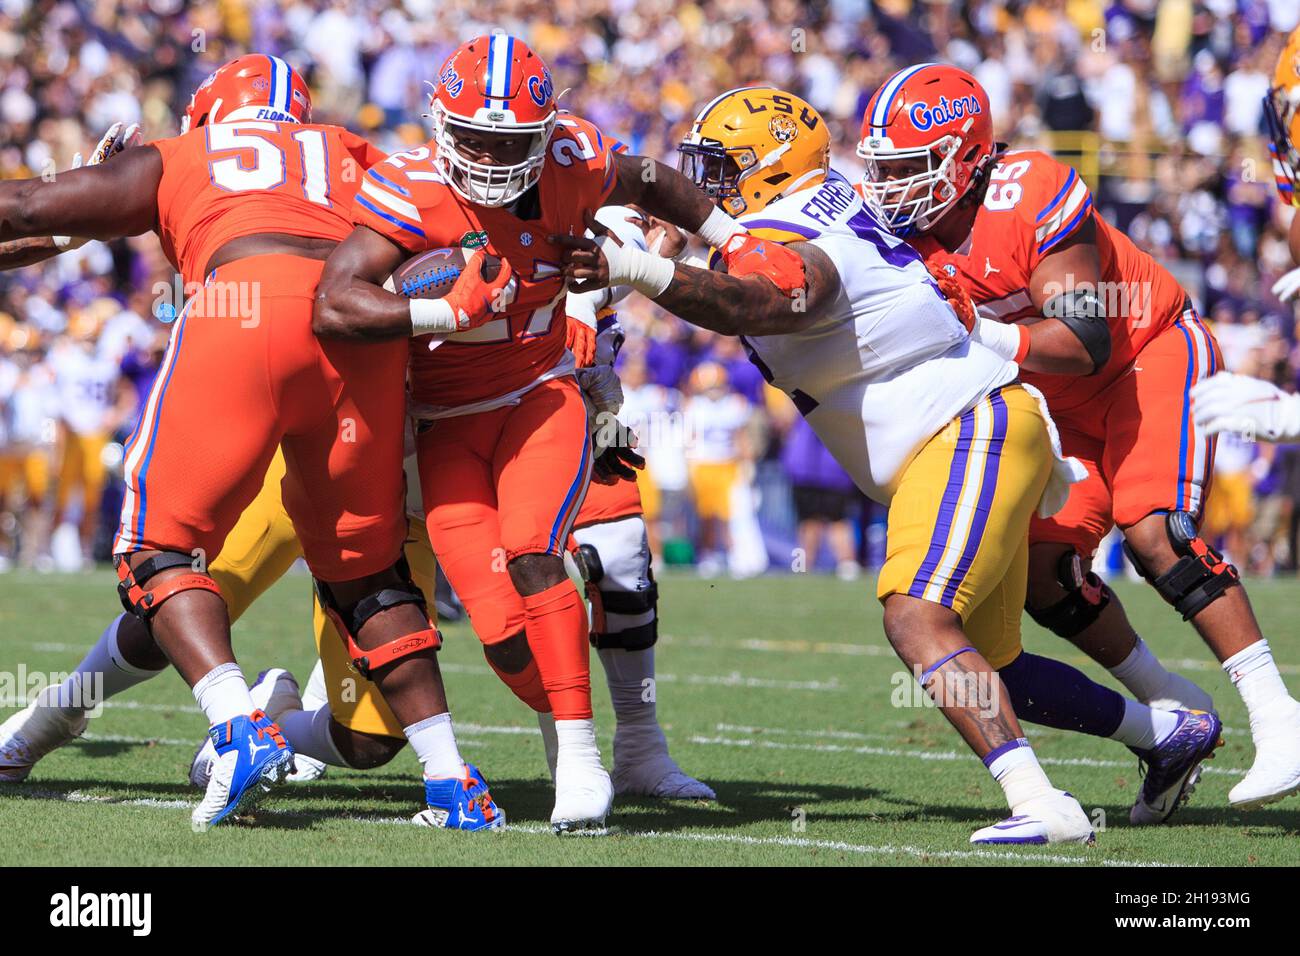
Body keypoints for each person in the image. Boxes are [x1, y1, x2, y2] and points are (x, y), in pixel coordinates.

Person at [556, 86, 1220, 842]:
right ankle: (1166, 733)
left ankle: (1042, 804)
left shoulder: (790, 235)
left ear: (769, 168)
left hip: (967, 428)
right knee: (992, 665)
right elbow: (701, 215)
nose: (707, 183)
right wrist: (621, 181)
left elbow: (763, 303)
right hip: (965, 433)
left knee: (916, 616)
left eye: (721, 168)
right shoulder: (817, 205)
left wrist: (641, 267)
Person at [0, 56, 502, 832]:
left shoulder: (186, 154)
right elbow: (451, 236)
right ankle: (455, 782)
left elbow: (27, 206)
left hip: (245, 317)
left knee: (154, 549)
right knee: (369, 577)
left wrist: (90, 187)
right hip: (358, 349)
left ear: (210, 114)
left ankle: (236, 726)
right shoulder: (355, 152)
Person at [310, 35, 748, 831]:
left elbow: (650, 179)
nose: (487, 157)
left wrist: (728, 235)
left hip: (540, 398)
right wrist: (444, 312)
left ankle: (582, 762)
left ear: (545, 133)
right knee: (499, 628)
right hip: (443, 427)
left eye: (510, 141)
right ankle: (571, 738)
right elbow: (334, 302)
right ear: (441, 124)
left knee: (540, 554)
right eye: (474, 137)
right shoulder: (408, 187)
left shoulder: (574, 160)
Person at [858, 63, 1296, 812]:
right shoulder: (902, 238)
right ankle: (1172, 708)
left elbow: (1086, 337)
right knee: (1040, 571)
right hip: (1052, 398)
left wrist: (981, 331)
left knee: (1155, 530)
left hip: (1142, 355)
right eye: (884, 170)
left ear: (965, 155)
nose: (892, 189)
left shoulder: (1028, 189)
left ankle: (1278, 716)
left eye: (911, 168)